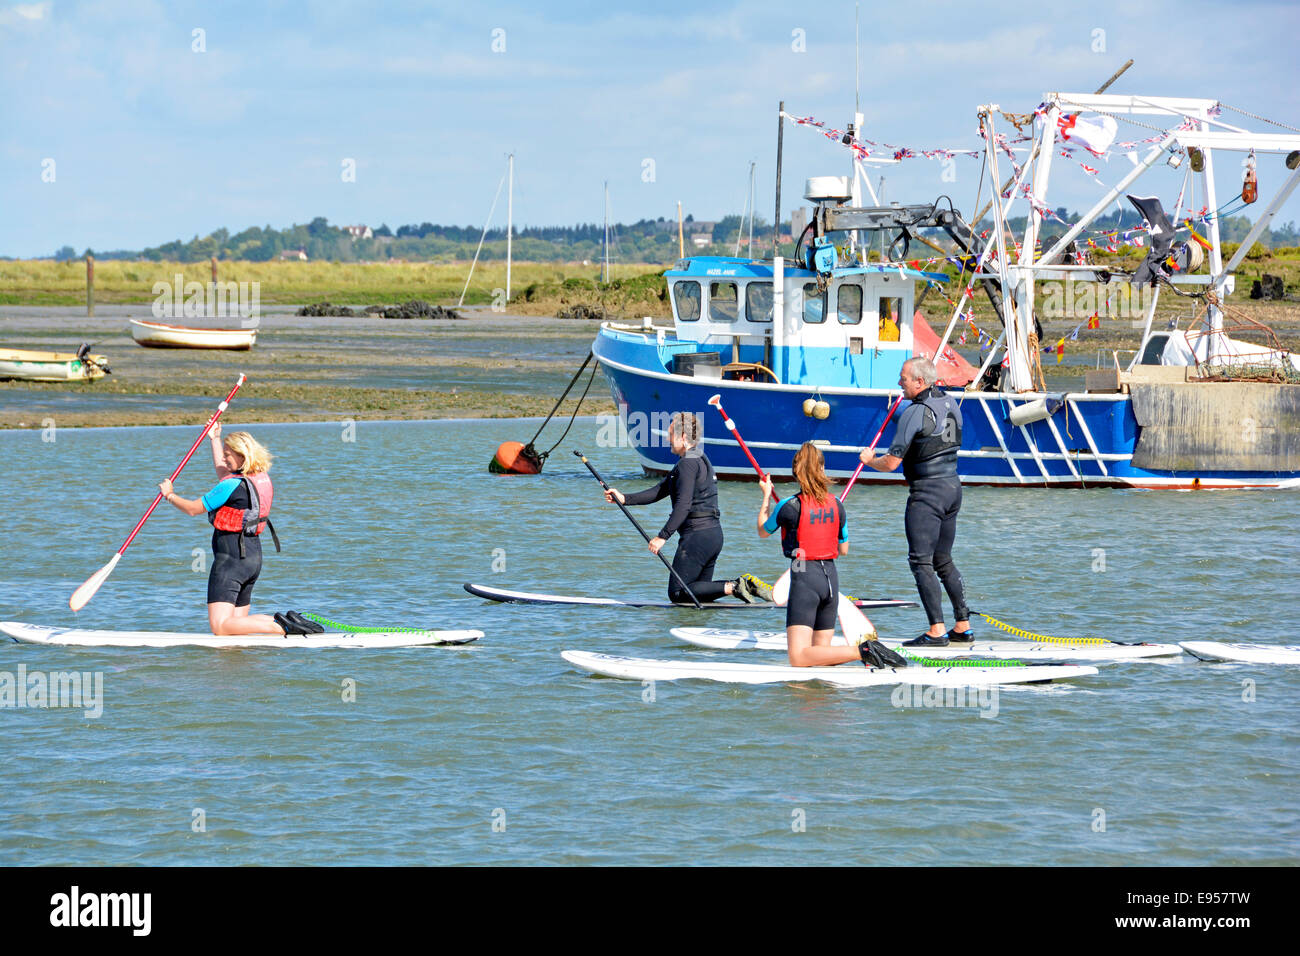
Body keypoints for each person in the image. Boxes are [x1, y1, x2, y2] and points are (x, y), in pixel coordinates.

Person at [159, 424, 319, 636]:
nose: (224, 460)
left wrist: (169, 495)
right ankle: (288, 622)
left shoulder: (230, 486)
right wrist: (214, 438)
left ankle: (280, 625)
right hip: (252, 558)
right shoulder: (259, 477)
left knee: (220, 627)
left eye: (228, 455)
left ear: (242, 456)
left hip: (231, 560)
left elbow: (192, 509)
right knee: (236, 626)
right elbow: (223, 471)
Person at [858, 356, 972, 647]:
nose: (899, 382)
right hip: (952, 488)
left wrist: (870, 460)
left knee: (920, 562)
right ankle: (963, 625)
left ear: (919, 382)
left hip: (927, 494)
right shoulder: (950, 403)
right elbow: (930, 434)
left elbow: (892, 463)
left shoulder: (914, 412)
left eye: (904, 378)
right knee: (943, 560)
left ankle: (936, 631)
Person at [603, 411, 758, 604]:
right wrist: (624, 498)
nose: (668, 439)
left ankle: (735, 586)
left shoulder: (687, 464)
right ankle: (735, 589)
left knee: (677, 593)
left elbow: (683, 506)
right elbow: (659, 490)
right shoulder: (699, 459)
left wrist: (662, 536)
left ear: (683, 437)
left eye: (670, 434)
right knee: (697, 597)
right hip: (713, 535)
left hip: (697, 538)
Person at [757, 442, 877, 667]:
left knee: (799, 657)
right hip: (831, 579)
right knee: (820, 657)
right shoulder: (837, 505)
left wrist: (766, 495)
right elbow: (844, 550)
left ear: (796, 472)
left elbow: (763, 530)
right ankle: (855, 658)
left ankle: (862, 651)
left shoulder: (788, 506)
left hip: (804, 578)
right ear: (822, 469)